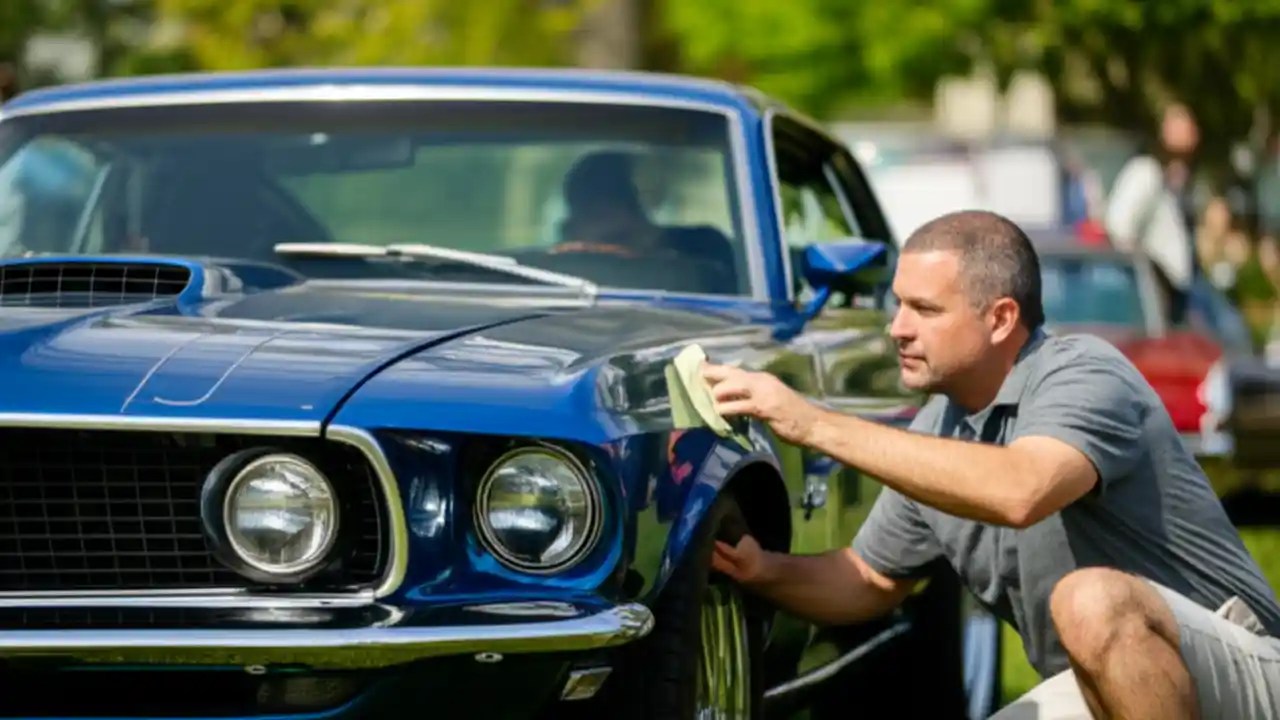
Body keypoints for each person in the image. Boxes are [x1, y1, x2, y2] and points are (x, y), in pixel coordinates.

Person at [702, 209, 1280, 719]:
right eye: (898, 303)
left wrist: (811, 423)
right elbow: (871, 579)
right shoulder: (938, 429)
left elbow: (1022, 490)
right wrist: (759, 569)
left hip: (1242, 670)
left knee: (1091, 599)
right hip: (1100, 688)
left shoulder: (1082, 373)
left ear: (1001, 318)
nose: (897, 327)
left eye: (924, 309)